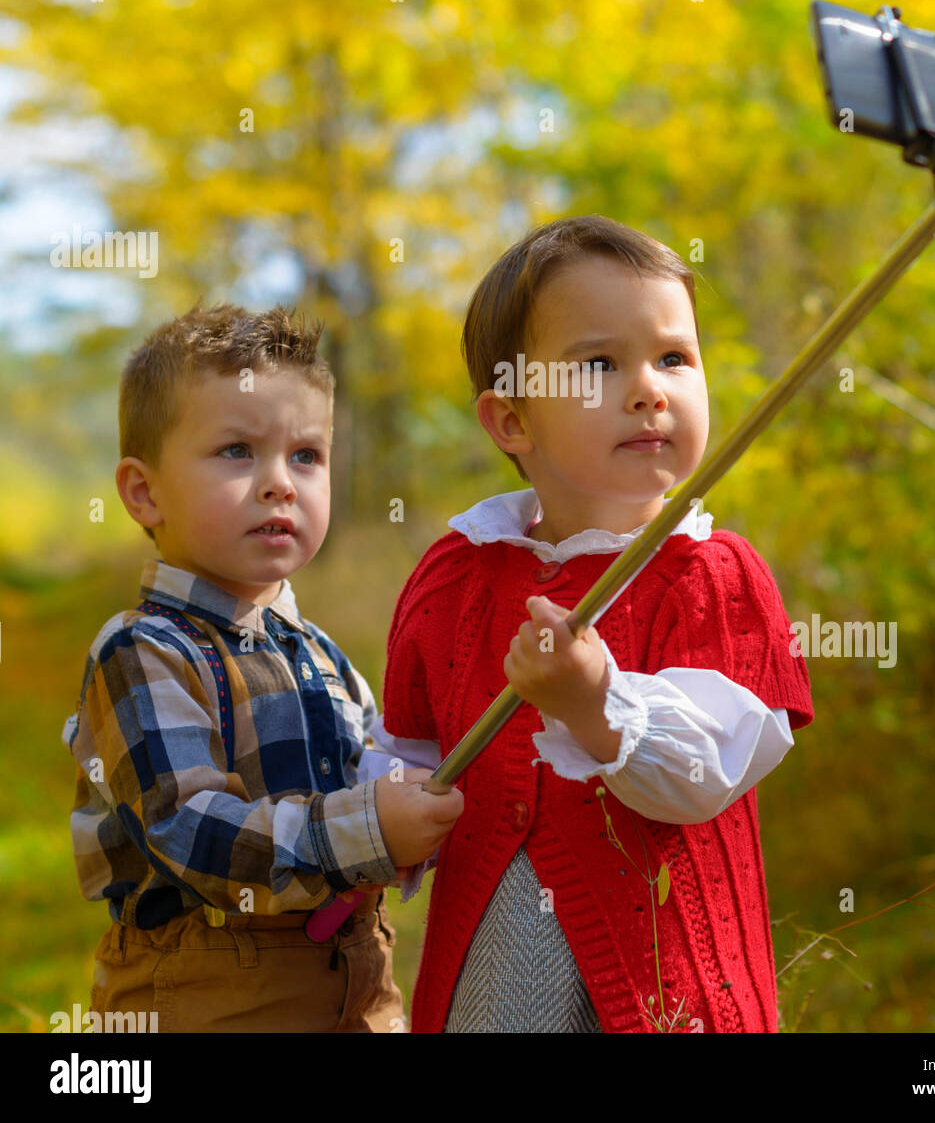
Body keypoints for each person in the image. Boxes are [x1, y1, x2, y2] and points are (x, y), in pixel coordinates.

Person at [370, 214, 814, 1033]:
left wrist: (594, 702)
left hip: (668, 986)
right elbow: (410, 752)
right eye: (600, 364)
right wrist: (387, 816)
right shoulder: (454, 576)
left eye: (674, 358)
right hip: (496, 972)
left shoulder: (713, 575)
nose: (650, 389)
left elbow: (708, 772)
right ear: (511, 421)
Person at [64, 303, 463, 1032]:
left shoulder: (322, 654)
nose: (280, 482)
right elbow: (190, 831)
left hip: (356, 978)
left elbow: (369, 780)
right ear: (144, 492)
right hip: (208, 990)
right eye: (237, 452)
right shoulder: (142, 649)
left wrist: (417, 805)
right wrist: (370, 828)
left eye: (305, 455)